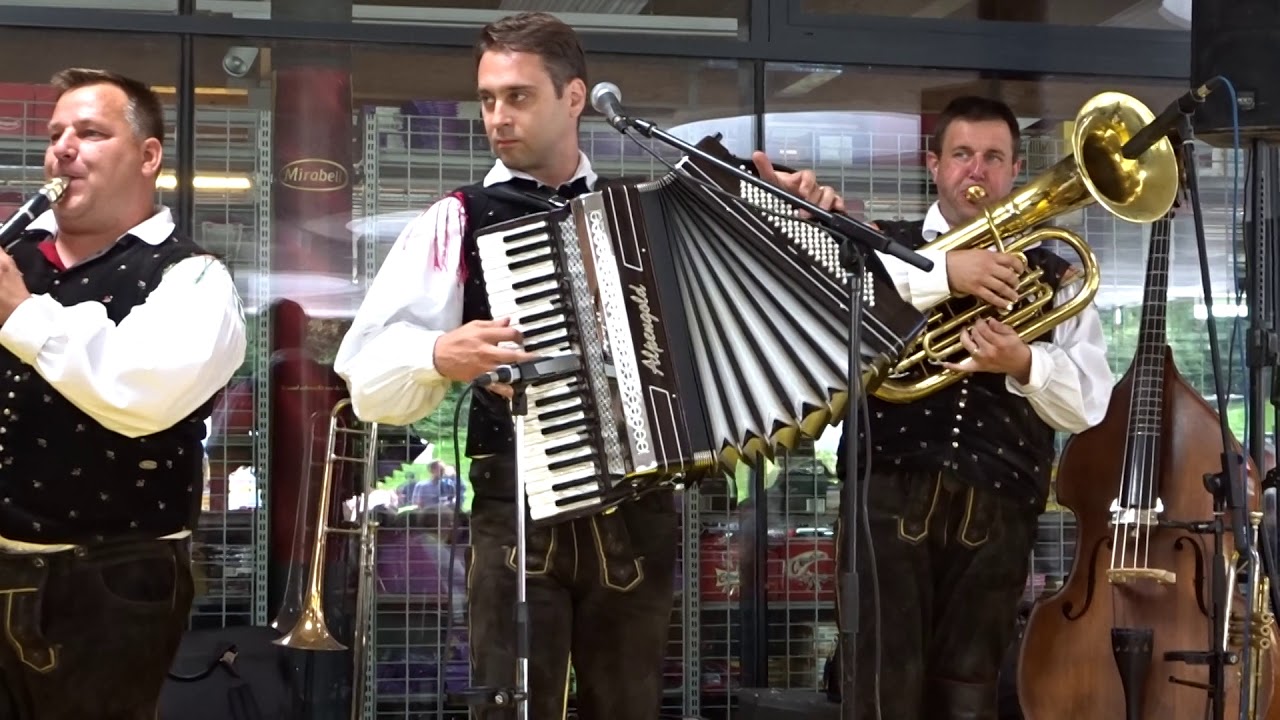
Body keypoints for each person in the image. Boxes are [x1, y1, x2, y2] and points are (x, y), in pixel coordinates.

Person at [335, 12, 822, 719]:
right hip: (519, 514)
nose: (497, 117)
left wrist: (792, 218)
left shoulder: (649, 214)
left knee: (626, 704)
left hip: (641, 510)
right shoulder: (459, 219)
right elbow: (365, 373)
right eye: (488, 99)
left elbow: (767, 306)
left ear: (574, 99)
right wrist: (439, 352)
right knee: (508, 708)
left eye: (519, 96)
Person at [759, 95, 1112, 719]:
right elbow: (827, 319)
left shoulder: (1056, 270)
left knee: (968, 692)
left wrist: (1024, 363)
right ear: (933, 164)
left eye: (993, 157)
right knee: (879, 685)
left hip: (1001, 505)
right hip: (886, 494)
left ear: (1014, 170)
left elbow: (1088, 404)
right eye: (962, 155)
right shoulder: (875, 249)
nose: (976, 170)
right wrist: (950, 271)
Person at [0, 68, 247, 718]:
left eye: (90, 132)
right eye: (56, 134)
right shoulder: (17, 262)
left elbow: (141, 392)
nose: (63, 148)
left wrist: (20, 313)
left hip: (109, 586)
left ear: (147, 156)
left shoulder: (195, 279)